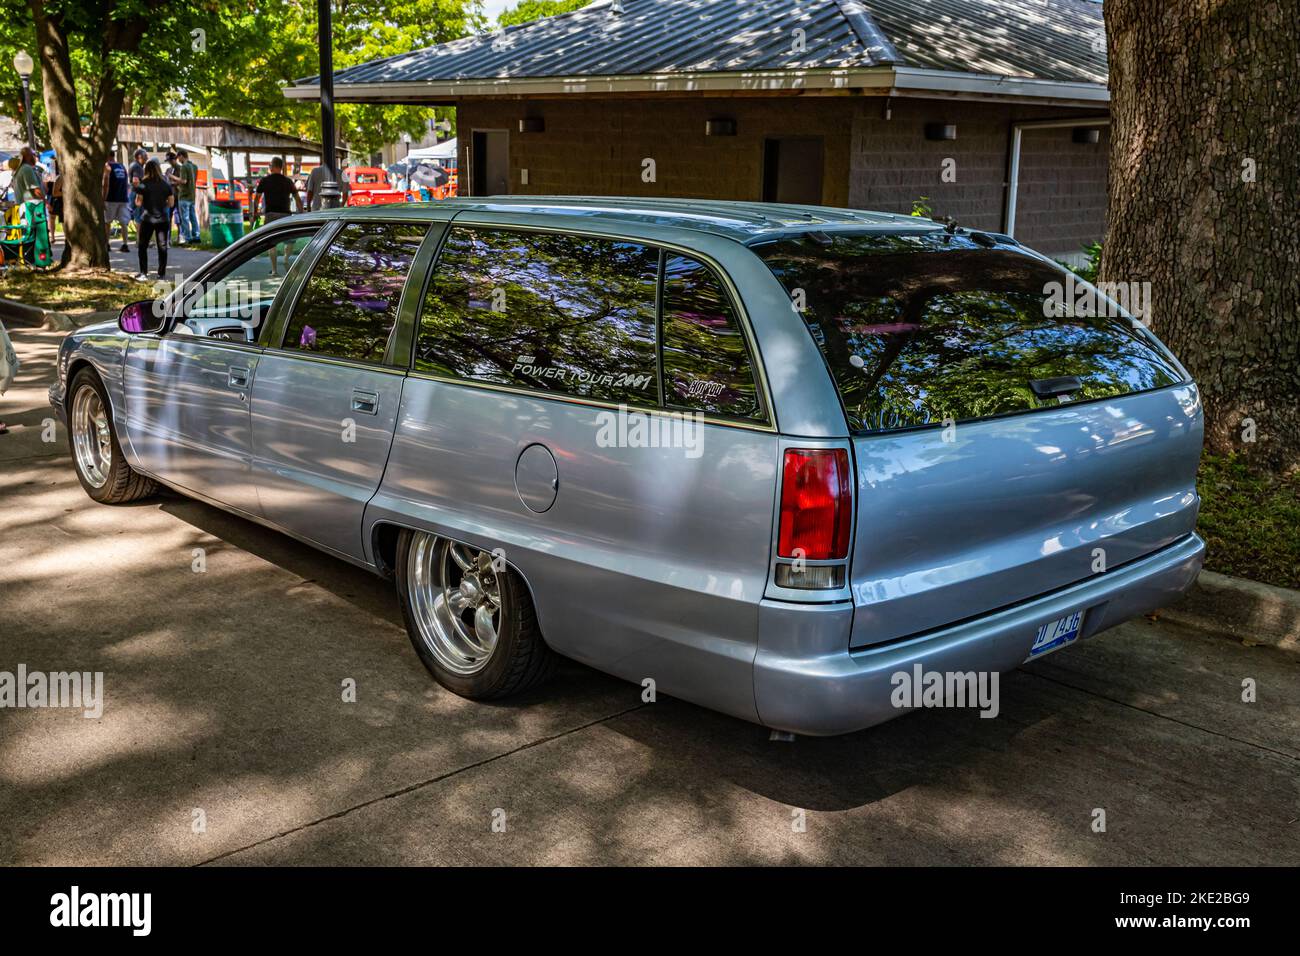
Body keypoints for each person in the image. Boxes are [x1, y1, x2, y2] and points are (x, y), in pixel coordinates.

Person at [252, 156, 302, 276]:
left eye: (270, 165)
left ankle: (274, 270)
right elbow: (297, 198)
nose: (269, 167)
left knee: (271, 242)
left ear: (273, 166)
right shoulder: (288, 181)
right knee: (289, 240)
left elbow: (257, 198)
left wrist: (255, 212)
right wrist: (302, 212)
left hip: (270, 214)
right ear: (281, 167)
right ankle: (285, 258)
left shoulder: (265, 180)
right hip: (286, 214)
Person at [132, 159, 173, 281]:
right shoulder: (166, 184)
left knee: (142, 246)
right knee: (162, 246)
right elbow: (171, 203)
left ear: (146, 170)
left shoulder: (143, 183)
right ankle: (161, 274)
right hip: (163, 219)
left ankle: (143, 273)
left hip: (148, 219)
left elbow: (138, 203)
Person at [170, 148, 199, 245]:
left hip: (184, 196)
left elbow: (183, 181)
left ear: (182, 156)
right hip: (192, 195)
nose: (178, 160)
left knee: (185, 218)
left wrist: (172, 177)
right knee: (193, 217)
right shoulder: (194, 166)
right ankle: (196, 236)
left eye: (178, 157)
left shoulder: (184, 167)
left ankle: (188, 238)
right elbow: (191, 181)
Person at [103, 157, 132, 252]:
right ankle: (125, 244)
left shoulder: (107, 166)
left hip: (111, 198)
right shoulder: (122, 166)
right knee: (123, 223)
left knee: (107, 222)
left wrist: (104, 197)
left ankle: (106, 244)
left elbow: (106, 182)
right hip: (123, 198)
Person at [127, 148, 148, 241]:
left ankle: (140, 239)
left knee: (137, 216)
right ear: (139, 157)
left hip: (135, 192)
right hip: (137, 194)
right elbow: (136, 181)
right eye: (145, 155)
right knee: (139, 217)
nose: (147, 157)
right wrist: (145, 190)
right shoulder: (137, 166)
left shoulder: (136, 165)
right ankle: (140, 239)